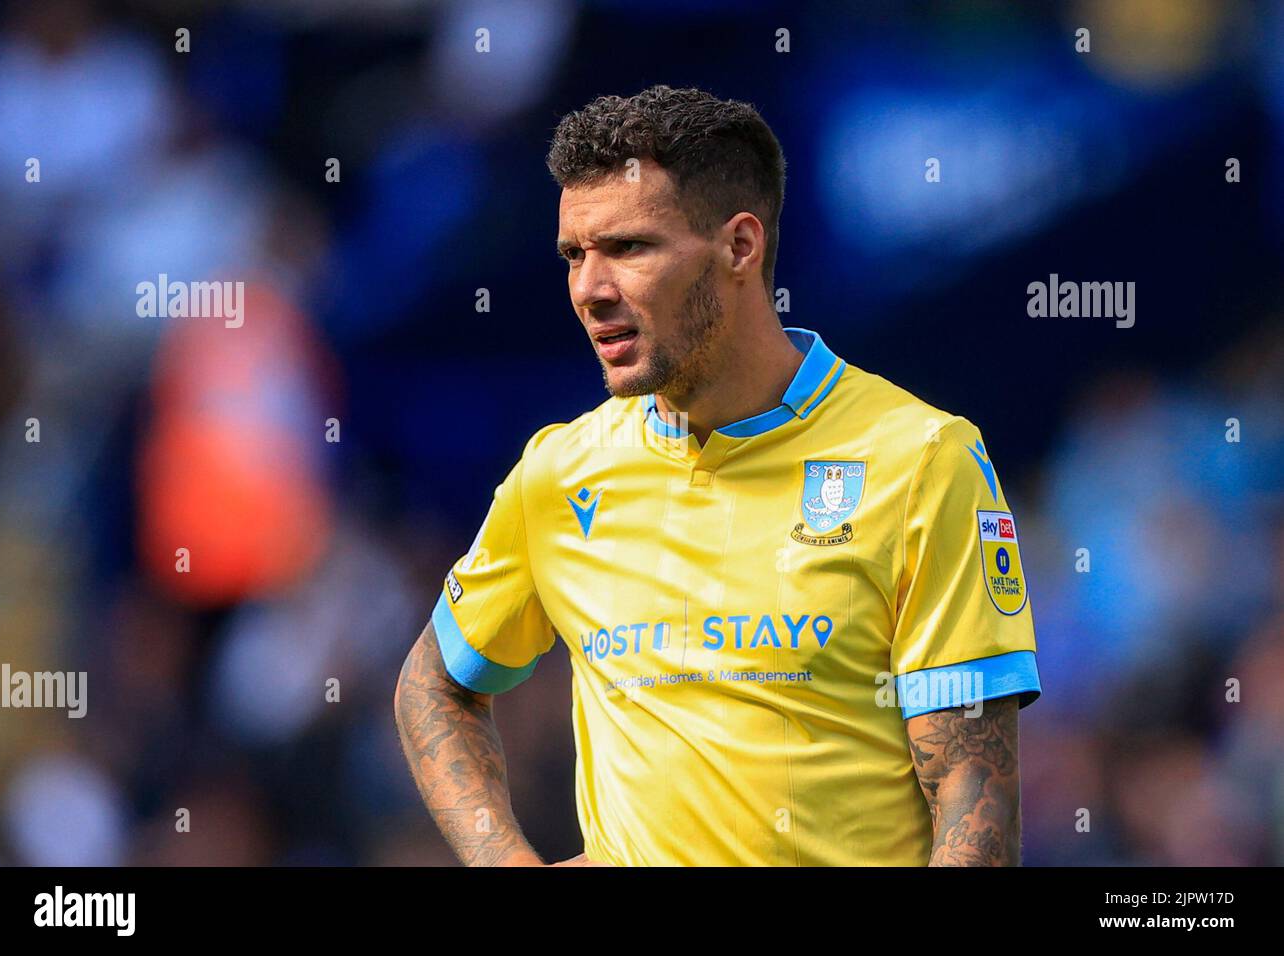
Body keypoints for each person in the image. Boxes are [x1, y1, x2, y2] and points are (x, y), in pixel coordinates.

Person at [395, 85, 1041, 866]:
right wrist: (505, 860)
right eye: (574, 255)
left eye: (628, 248)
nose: (590, 289)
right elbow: (434, 686)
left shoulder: (922, 459)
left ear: (739, 246)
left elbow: (974, 796)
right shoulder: (560, 474)